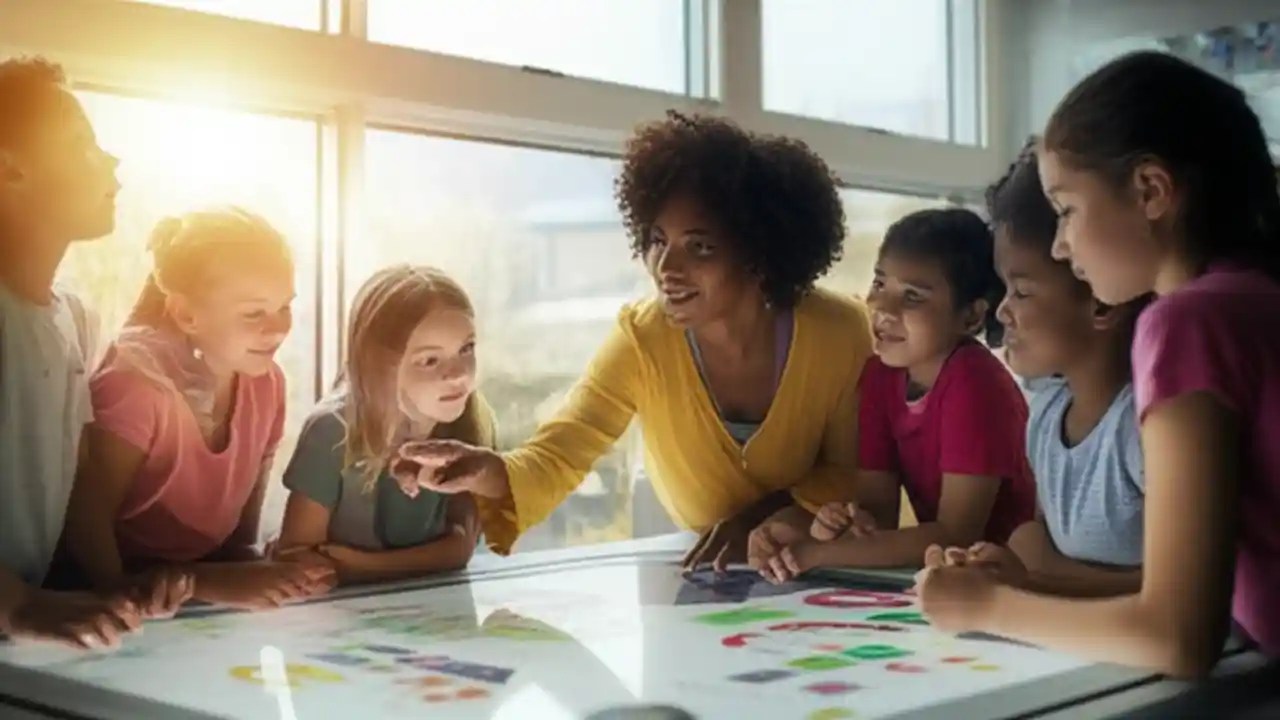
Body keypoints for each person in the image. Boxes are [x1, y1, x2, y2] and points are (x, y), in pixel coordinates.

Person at [917, 50, 1280, 677]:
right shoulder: (1258, 298)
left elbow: (1175, 637)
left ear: (1150, 190)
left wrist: (992, 608)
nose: (1062, 242)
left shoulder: (1190, 322)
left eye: (1066, 210)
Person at [396, 112, 871, 567]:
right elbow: (565, 449)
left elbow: (860, 473)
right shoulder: (643, 339)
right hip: (714, 578)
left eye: (699, 246)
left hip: (836, 561)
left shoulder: (840, 332)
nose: (667, 268)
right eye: (658, 240)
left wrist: (762, 516)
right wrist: (489, 470)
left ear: (759, 253)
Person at [0, 56, 187, 648]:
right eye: (82, 145)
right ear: (10, 169)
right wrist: (19, 606)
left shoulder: (75, 317)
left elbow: (70, 486)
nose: (110, 160)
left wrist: (114, 587)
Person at [62, 208, 335, 610]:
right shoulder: (135, 387)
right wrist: (200, 583)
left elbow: (239, 543)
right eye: (254, 313)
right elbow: (84, 531)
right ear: (186, 314)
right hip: (106, 605)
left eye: (284, 307)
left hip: (191, 604)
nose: (278, 328)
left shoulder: (267, 384)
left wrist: (281, 572)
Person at [754, 208, 1035, 582]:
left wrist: (821, 553)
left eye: (913, 296)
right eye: (880, 283)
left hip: (1014, 577)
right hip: (947, 575)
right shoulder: (879, 377)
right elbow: (878, 518)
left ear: (970, 317)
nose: (882, 308)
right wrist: (833, 528)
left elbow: (959, 534)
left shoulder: (975, 382)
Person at [947, 139, 1147, 597]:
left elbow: (1191, 591)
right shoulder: (1046, 412)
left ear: (1098, 300)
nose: (1002, 313)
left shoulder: (1142, 426)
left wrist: (1026, 583)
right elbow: (1035, 545)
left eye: (1022, 291)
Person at [275, 266, 488, 584]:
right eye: (430, 360)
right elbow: (298, 561)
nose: (458, 375)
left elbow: (460, 549)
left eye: (466, 349)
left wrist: (362, 565)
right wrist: (433, 559)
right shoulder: (331, 431)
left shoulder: (465, 420)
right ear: (381, 365)